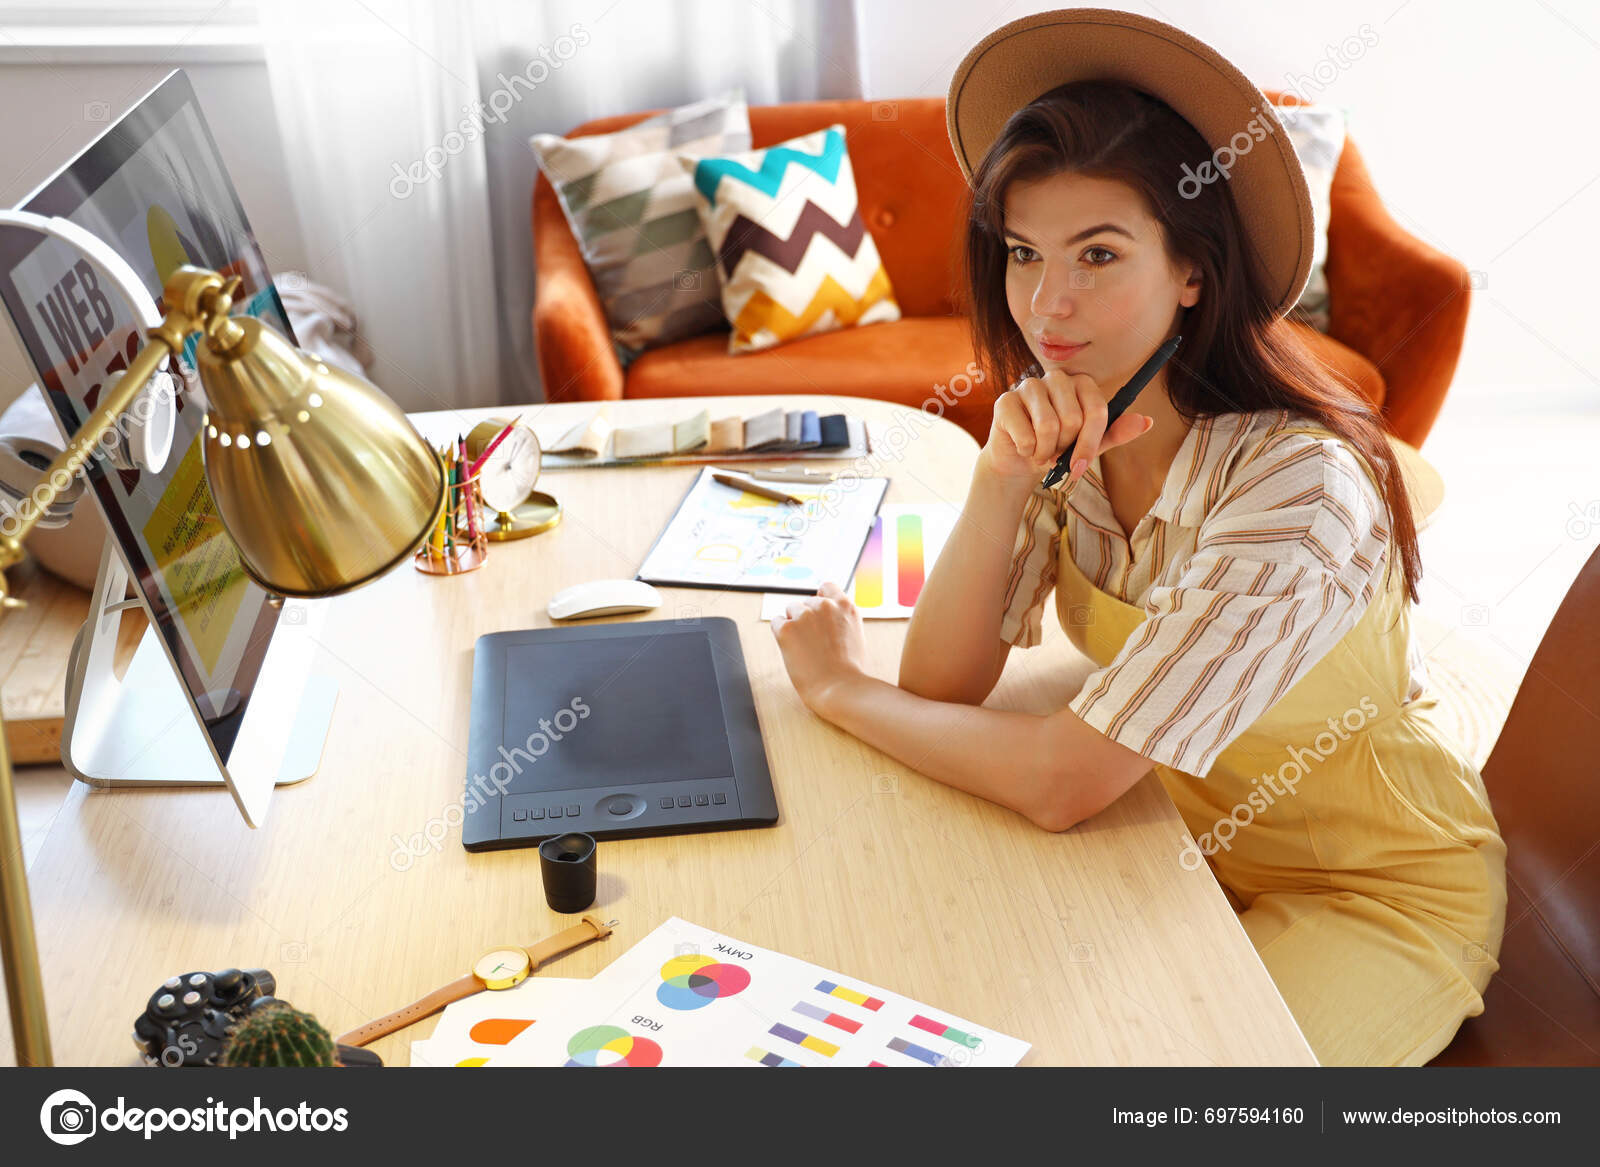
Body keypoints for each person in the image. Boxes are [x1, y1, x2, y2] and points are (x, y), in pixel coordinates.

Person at [770, 9, 1505, 1067]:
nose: (1046, 303)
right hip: (1174, 836)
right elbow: (941, 687)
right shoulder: (1073, 419)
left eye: (1099, 254)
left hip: (1370, 892)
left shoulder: (1294, 489)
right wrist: (1000, 477)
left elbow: (1064, 783)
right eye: (1023, 252)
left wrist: (841, 691)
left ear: (1193, 272)